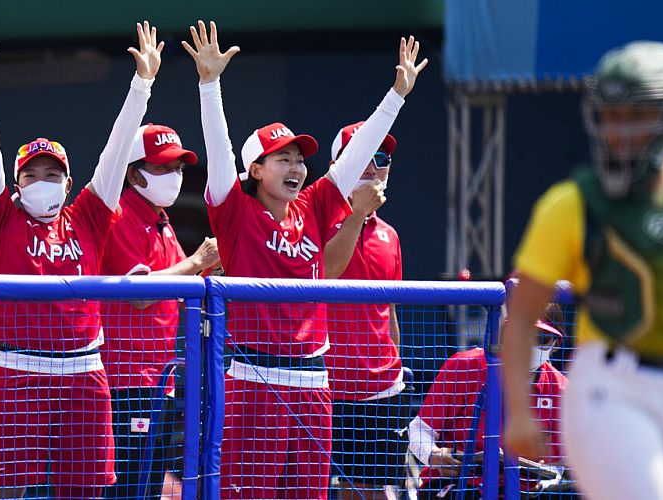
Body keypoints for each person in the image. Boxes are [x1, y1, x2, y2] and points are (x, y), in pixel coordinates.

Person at [182, 19, 427, 499]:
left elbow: (356, 159)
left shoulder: (313, 207)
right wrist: (209, 85)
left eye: (299, 159)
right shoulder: (234, 212)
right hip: (255, 379)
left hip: (315, 382)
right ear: (254, 169)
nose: (296, 167)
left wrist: (397, 94)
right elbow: (218, 148)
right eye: (282, 159)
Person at [0, 19, 164, 499]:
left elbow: (117, 149)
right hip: (17, 371)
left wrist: (141, 84)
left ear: (69, 182)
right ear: (17, 185)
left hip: (85, 372)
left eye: (53, 173)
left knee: (83, 493)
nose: (44, 179)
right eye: (32, 173)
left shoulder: (89, 214)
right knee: (0, 494)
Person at [502, 41, 663, 500]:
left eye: (637, 115)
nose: (620, 132)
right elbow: (520, 318)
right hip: (616, 391)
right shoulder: (574, 204)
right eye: (611, 116)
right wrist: (519, 411)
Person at [100, 123, 220, 499]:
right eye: (164, 168)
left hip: (157, 380)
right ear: (133, 172)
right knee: (128, 490)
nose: (174, 176)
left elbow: (182, 281)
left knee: (147, 488)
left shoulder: (160, 220)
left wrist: (209, 266)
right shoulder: (119, 214)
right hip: (126, 381)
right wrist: (199, 260)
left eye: (179, 168)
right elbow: (139, 295)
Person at [322, 122, 409, 499]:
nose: (373, 166)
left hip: (380, 391)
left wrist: (397, 369)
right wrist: (355, 214)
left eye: (382, 157)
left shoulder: (390, 235)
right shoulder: (313, 220)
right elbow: (325, 270)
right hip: (324, 388)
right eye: (362, 156)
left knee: (369, 492)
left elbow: (388, 313)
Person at [409, 313, 567, 499]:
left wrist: (544, 482)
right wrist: (434, 455)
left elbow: (556, 465)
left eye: (541, 337)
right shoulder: (465, 365)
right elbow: (418, 430)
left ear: (555, 345)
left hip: (523, 490)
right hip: (457, 482)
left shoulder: (562, 389)